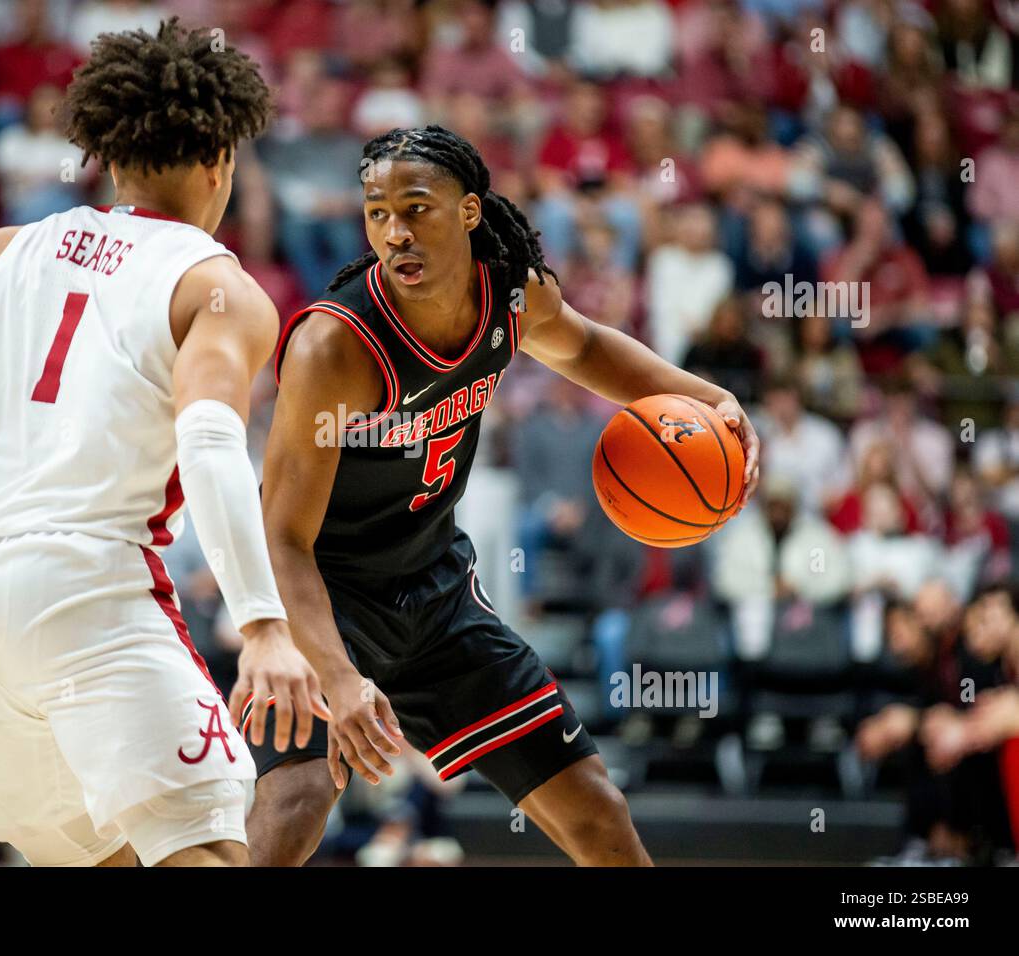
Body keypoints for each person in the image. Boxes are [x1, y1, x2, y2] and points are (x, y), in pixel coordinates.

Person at [0, 21, 321, 868]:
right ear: (221, 163)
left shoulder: (10, 250)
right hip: (82, 590)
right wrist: (264, 625)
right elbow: (205, 442)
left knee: (115, 858)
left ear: (108, 152)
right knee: (211, 853)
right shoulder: (216, 284)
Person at [244, 126, 760, 866]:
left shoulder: (511, 292)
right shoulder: (337, 347)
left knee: (595, 809)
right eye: (376, 211)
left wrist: (711, 397)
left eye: (416, 208)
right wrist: (337, 676)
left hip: (437, 595)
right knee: (297, 803)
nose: (394, 232)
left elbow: (582, 346)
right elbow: (281, 538)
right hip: (329, 600)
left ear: (468, 212)